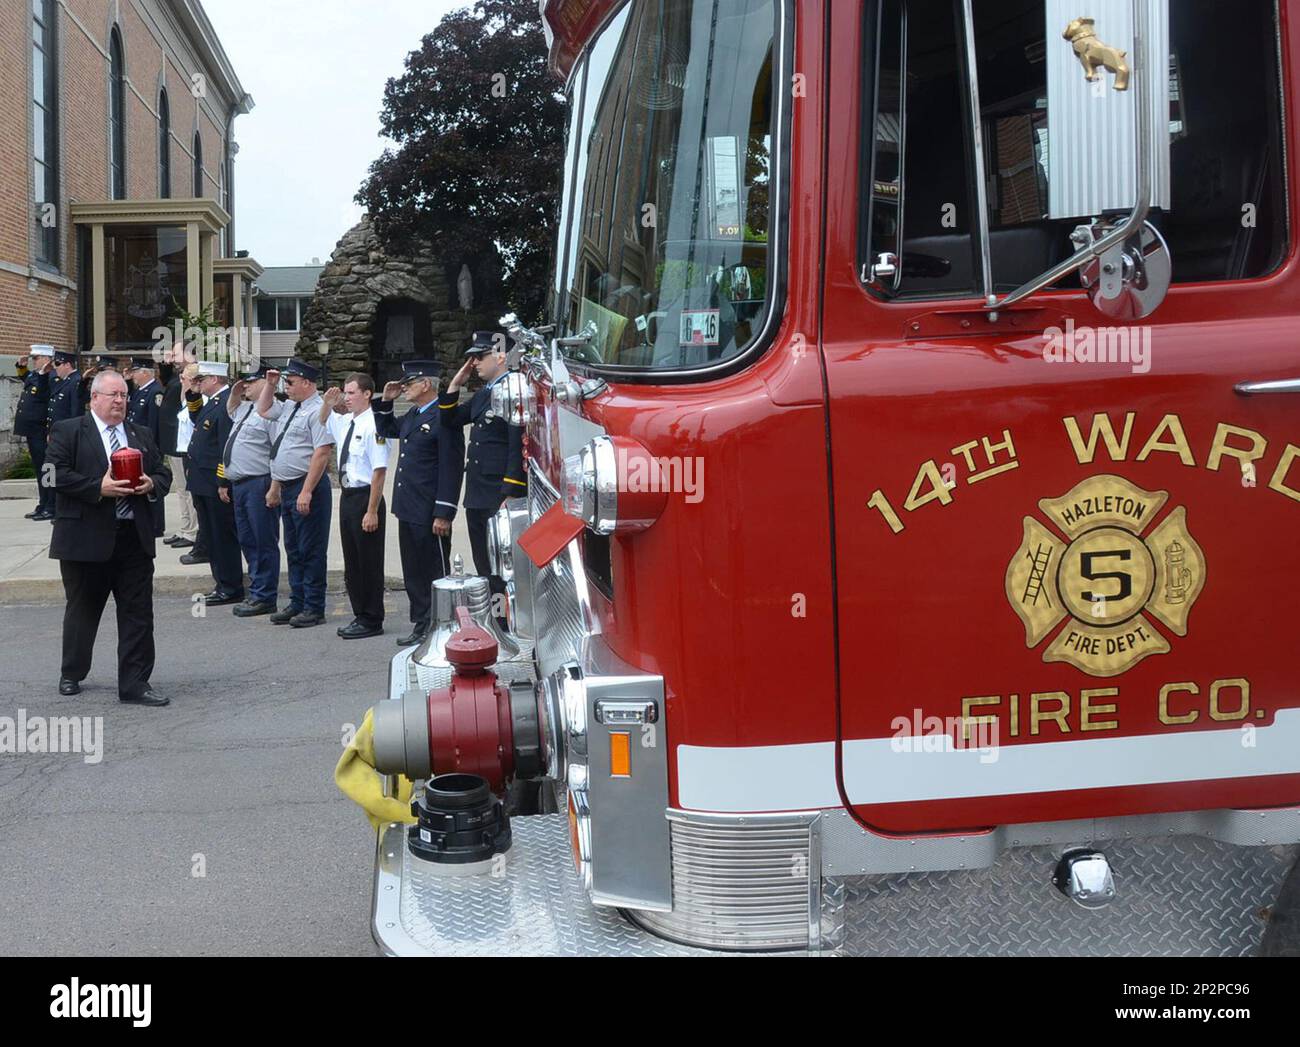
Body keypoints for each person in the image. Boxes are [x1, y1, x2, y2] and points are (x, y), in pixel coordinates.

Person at [46, 369, 172, 706]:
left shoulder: (139, 433)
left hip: (133, 539)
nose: (120, 401)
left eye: (124, 396)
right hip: (85, 539)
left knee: (138, 615)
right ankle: (72, 671)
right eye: (113, 395)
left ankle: (135, 684)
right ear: (94, 398)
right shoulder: (69, 431)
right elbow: (50, 475)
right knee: (83, 611)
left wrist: (151, 485)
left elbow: (163, 473)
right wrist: (96, 488)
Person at [375, 361, 464, 647]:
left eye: (408, 383)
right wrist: (386, 402)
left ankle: (440, 624)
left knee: (433, 570)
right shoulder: (414, 414)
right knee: (413, 569)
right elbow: (388, 429)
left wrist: (444, 511)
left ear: (426, 384)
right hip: (409, 505)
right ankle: (422, 622)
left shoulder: (443, 417)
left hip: (430, 509)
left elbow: (451, 467)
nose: (404, 389)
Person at [439, 331, 525, 608]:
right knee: (485, 564)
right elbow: (450, 419)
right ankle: (496, 623)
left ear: (501, 356)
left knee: (503, 566)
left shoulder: (514, 390)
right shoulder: (484, 394)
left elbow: (517, 443)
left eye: (480, 356)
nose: (474, 362)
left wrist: (511, 492)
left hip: (498, 495)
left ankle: (507, 625)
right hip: (478, 493)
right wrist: (455, 383)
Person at [257, 358, 334, 629]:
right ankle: (298, 601)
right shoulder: (291, 406)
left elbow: (321, 452)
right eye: (284, 382)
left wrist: (306, 491)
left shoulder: (318, 410)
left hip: (306, 487)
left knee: (310, 549)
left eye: (289, 382)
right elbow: (264, 408)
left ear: (307, 382)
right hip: (287, 486)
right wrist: (269, 384)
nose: (285, 387)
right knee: (293, 549)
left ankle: (314, 606)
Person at [320, 374, 390, 639]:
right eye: (345, 393)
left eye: (351, 393)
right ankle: (360, 613)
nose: (346, 398)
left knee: (368, 561)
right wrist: (328, 403)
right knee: (353, 561)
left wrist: (371, 510)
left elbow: (379, 472)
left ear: (367, 394)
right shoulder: (348, 422)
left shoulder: (375, 424)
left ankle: (372, 617)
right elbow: (324, 420)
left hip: (365, 496)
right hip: (348, 496)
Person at [184, 361, 245, 607]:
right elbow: (195, 416)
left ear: (215, 380)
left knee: (222, 537)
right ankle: (221, 583)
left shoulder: (226, 406)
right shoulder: (213, 404)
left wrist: (222, 480)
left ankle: (230, 586)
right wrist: (192, 393)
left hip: (213, 482)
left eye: (202, 379)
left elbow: (224, 447)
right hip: (201, 481)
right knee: (211, 536)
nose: (199, 383)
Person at [223, 365, 280, 618]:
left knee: (262, 540)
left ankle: (265, 595)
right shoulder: (246, 409)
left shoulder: (271, 412)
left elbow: (278, 451)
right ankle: (257, 590)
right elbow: (231, 409)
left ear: (265, 384)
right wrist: (236, 392)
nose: (245, 386)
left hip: (260, 482)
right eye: (243, 383)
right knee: (247, 539)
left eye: (250, 382)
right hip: (240, 483)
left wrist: (275, 487)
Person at [159, 346, 199, 551]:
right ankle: (185, 528)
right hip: (174, 443)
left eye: (176, 354)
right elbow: (167, 382)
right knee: (182, 490)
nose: (172, 358)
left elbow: (187, 405)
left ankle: (192, 531)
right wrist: (166, 364)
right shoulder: (179, 375)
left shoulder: (193, 374)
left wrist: (186, 380)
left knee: (188, 489)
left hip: (183, 443)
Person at [14, 345, 54, 520]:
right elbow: (26, 377)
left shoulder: (48, 377)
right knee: (39, 469)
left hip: (41, 430)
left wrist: (44, 373)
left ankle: (51, 505)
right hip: (32, 431)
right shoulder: (35, 376)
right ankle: (43, 503)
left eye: (37, 358)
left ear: (46, 359)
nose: (34, 361)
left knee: (47, 469)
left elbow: (43, 391)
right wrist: (20, 366)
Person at [125, 357, 163, 448]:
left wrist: (149, 444)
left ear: (145, 373)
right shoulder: (139, 390)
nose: (133, 375)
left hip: (145, 442)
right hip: (135, 438)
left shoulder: (155, 391)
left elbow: (153, 422)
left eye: (135, 372)